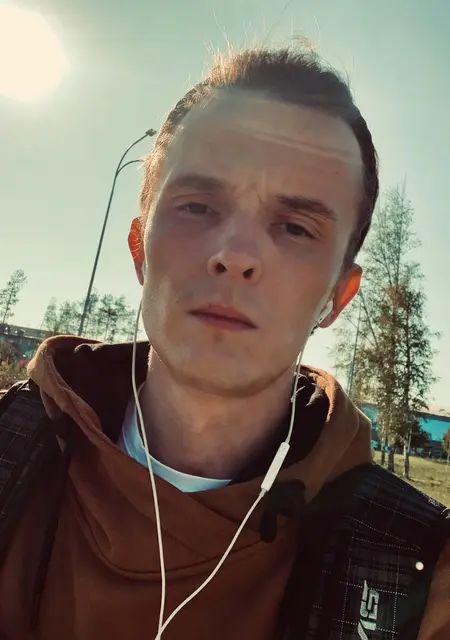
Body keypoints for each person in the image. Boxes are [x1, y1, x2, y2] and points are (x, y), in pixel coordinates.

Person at [0, 47, 448, 640]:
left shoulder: (423, 580)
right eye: (198, 206)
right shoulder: (12, 457)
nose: (235, 254)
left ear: (338, 296)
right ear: (139, 248)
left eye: (295, 227)